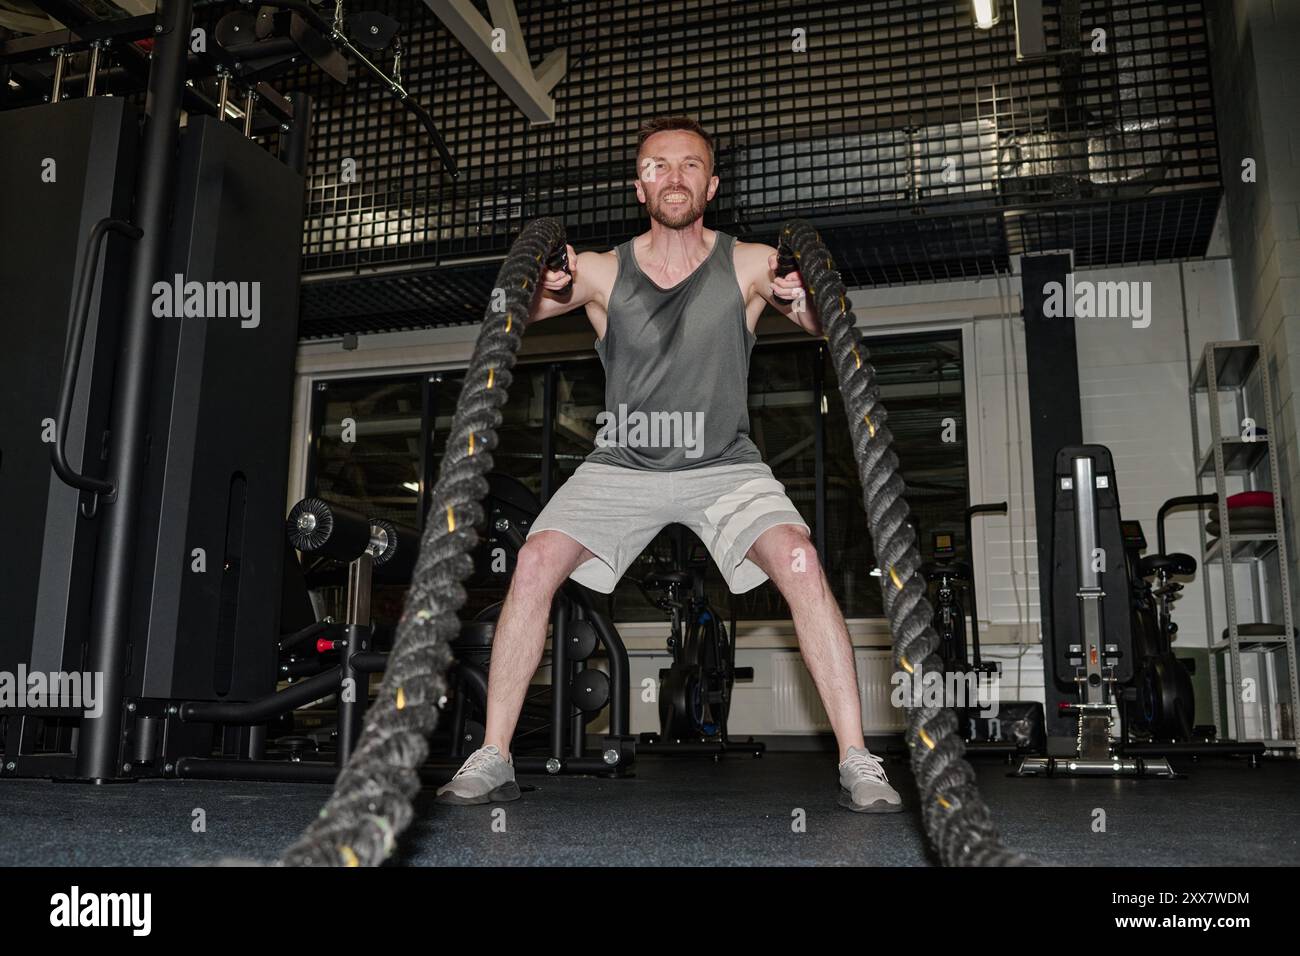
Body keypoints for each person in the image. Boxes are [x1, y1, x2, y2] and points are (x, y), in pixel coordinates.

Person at [436, 115, 902, 814]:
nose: (674, 176)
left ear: (710, 185)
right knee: (534, 563)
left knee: (801, 562)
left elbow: (824, 328)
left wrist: (806, 298)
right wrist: (544, 282)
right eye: (658, 165)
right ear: (639, 185)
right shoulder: (602, 268)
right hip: (621, 464)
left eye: (689, 165)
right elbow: (507, 314)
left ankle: (857, 760)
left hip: (724, 465)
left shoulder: (747, 261)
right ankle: (495, 753)